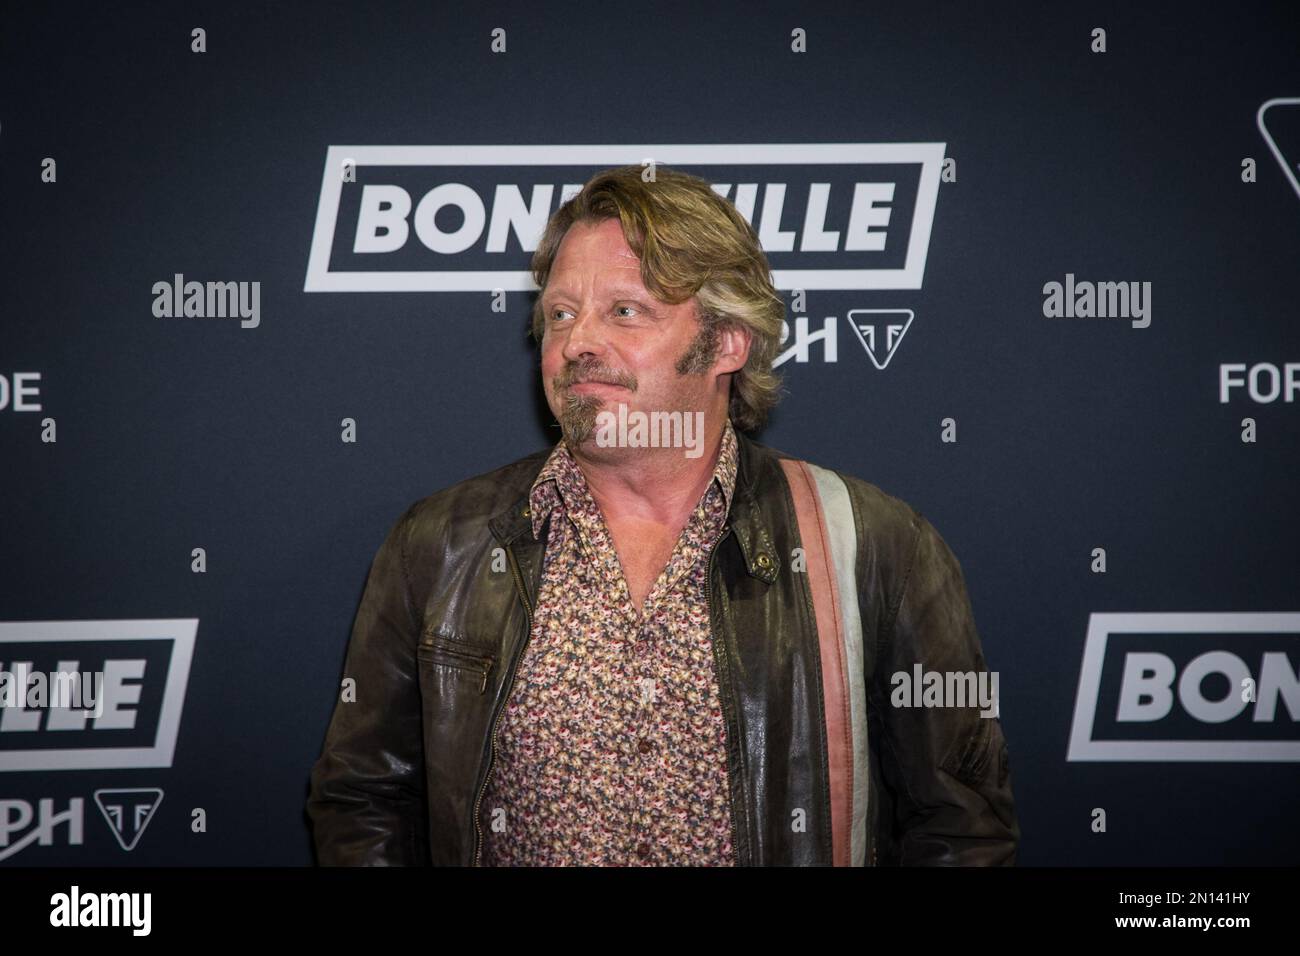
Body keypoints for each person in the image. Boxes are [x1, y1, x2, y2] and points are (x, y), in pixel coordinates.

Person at [306, 165, 1019, 866]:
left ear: (727, 341)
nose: (577, 341)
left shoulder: (874, 549)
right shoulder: (441, 547)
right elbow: (363, 800)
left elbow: (961, 831)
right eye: (560, 313)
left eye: (624, 310)